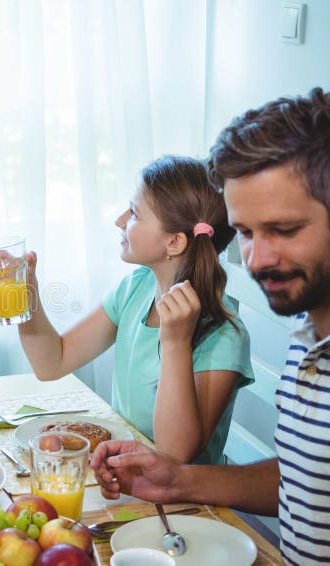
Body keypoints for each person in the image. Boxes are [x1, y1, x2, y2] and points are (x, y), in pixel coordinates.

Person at [91, 88, 330, 565]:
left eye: (284, 230)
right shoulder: (308, 336)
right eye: (245, 232)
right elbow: (303, 478)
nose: (257, 259)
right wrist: (178, 480)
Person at [14, 155, 255, 464]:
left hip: (184, 503)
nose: (119, 220)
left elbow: (175, 454)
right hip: (124, 475)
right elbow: (52, 362)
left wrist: (175, 342)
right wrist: (26, 293)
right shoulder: (137, 287)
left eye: (135, 214)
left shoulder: (223, 334)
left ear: (174, 242)